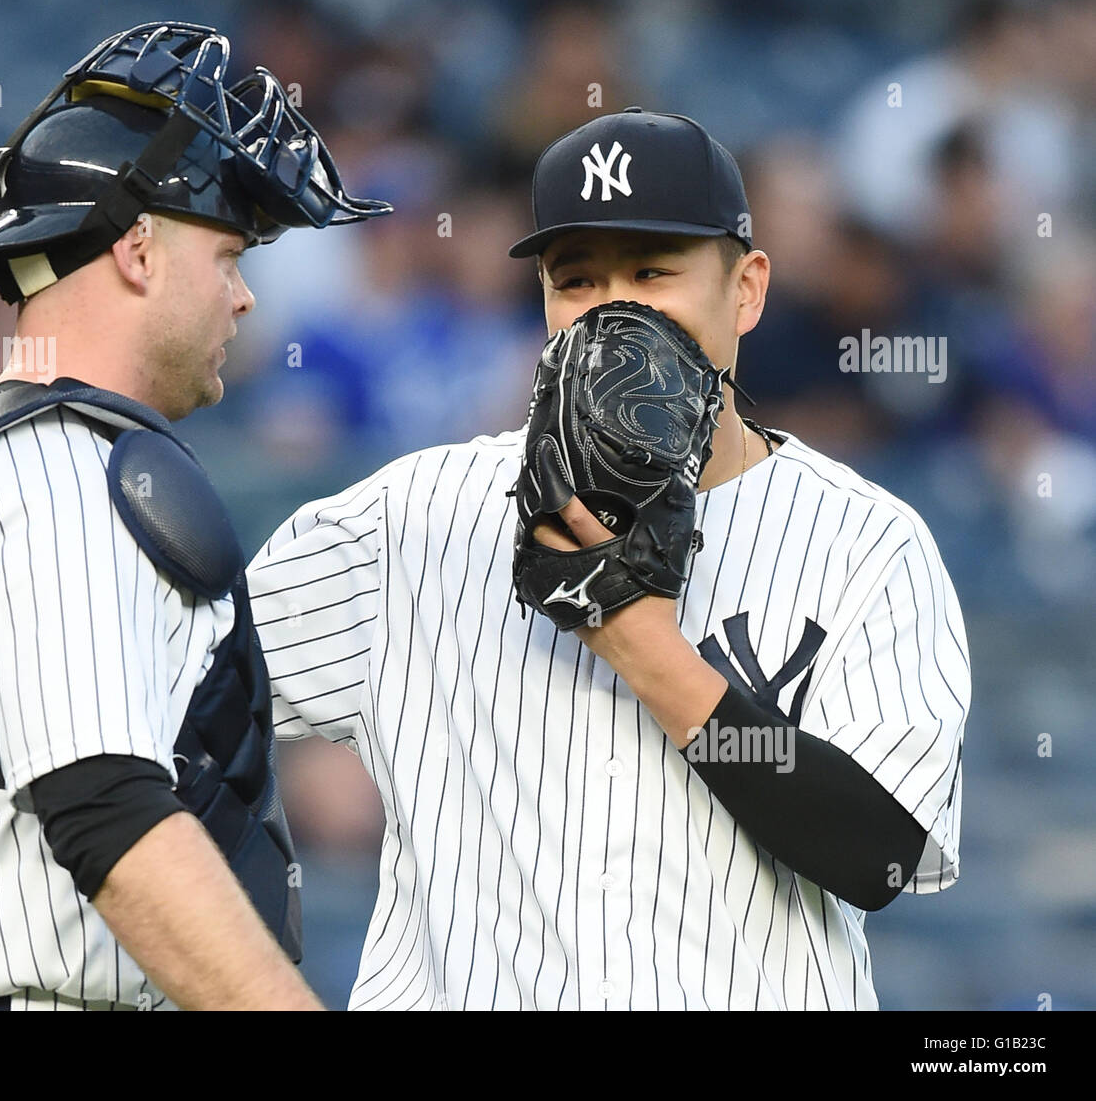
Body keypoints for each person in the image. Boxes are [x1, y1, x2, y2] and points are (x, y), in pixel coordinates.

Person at [246, 108, 970, 1010]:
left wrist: (645, 647)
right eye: (578, 278)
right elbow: (150, 700)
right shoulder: (408, 519)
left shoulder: (866, 544)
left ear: (746, 289)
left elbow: (883, 857)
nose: (616, 311)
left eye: (652, 271)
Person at [0, 21, 390, 1011]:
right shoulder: (62, 469)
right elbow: (110, 810)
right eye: (230, 255)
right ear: (139, 249)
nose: (241, 299)